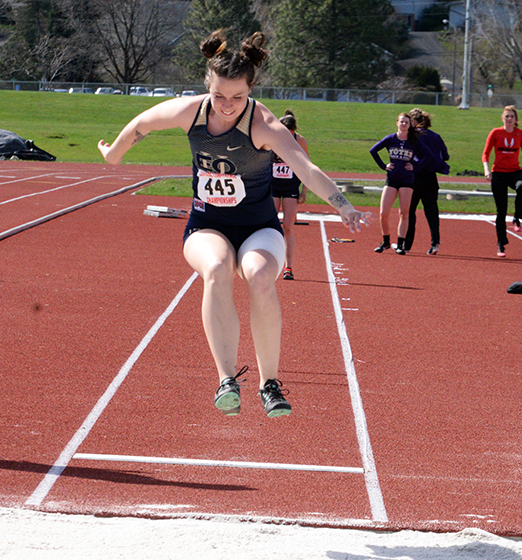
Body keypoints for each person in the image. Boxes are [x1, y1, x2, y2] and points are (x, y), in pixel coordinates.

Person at [97, 30, 371, 418]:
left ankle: (269, 383)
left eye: (237, 98)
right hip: (206, 225)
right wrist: (114, 155)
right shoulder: (190, 111)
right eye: (219, 96)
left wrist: (343, 206)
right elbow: (143, 122)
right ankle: (227, 379)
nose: (227, 106)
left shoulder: (262, 124)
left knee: (259, 277)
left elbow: (305, 168)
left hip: (259, 226)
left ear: (251, 90)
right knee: (216, 268)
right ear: (207, 86)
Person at [369, 113, 432, 255]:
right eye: (402, 122)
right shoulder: (391, 138)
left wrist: (415, 167)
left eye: (406, 123)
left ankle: (400, 244)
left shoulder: (413, 141)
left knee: (404, 213)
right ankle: (385, 242)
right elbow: (373, 150)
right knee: (383, 212)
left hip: (407, 180)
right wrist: (383, 166)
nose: (404, 124)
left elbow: (428, 155)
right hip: (392, 179)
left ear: (410, 125)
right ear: (397, 123)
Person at [482, 105, 522, 257]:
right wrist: (487, 170)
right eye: (507, 116)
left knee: (521, 186)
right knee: (501, 211)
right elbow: (485, 154)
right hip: (498, 174)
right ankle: (501, 244)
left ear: (515, 119)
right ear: (502, 118)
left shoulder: (520, 134)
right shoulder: (496, 132)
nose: (509, 119)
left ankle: (517, 218)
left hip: (514, 172)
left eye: (512, 117)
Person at [404, 108, 449, 256]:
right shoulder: (436, 136)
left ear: (414, 122)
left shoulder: (412, 136)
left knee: (410, 211)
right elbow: (446, 156)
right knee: (432, 211)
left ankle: (407, 244)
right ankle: (435, 243)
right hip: (431, 178)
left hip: (415, 177)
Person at [270, 109, 308, 280]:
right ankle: (269, 263)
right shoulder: (272, 138)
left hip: (291, 187)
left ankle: (289, 266)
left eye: (289, 132)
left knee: (288, 227)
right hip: (273, 186)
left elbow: (307, 166)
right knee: (269, 226)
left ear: (293, 130)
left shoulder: (300, 141)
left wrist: (305, 189)